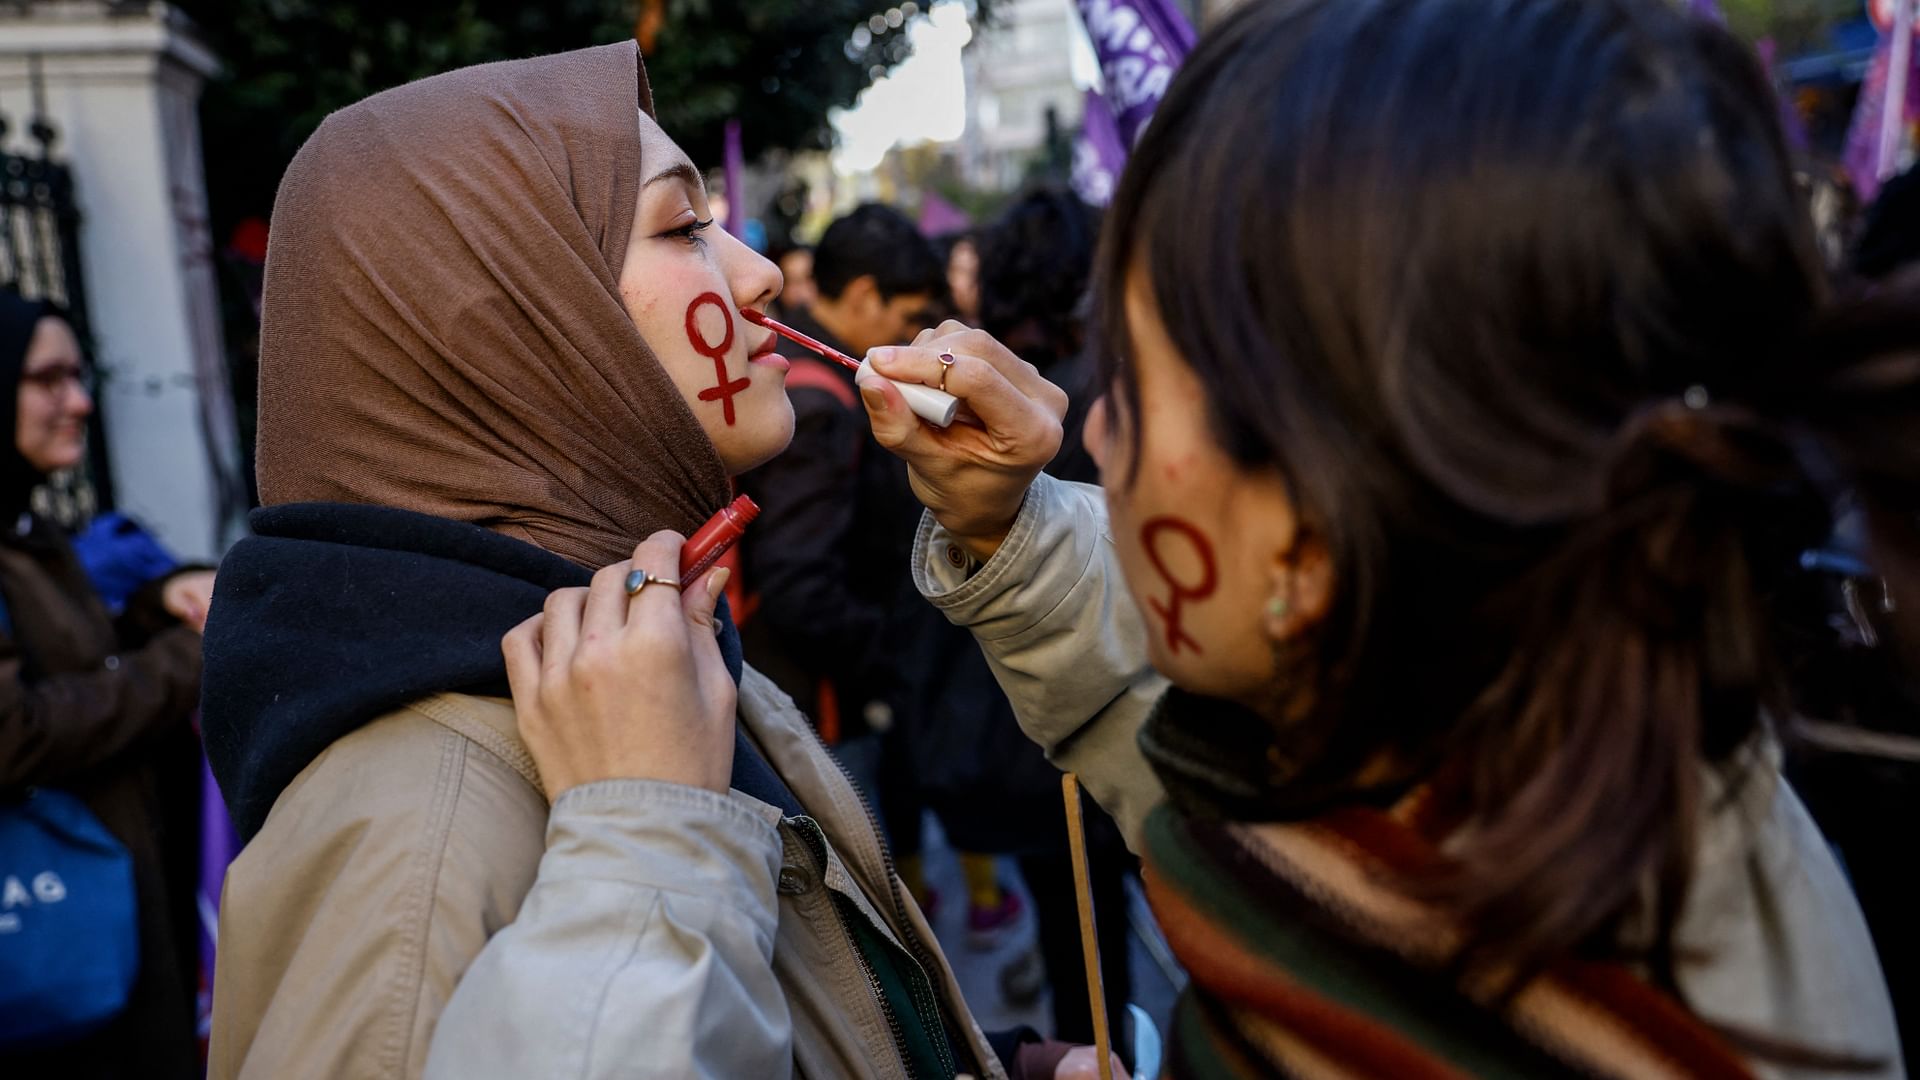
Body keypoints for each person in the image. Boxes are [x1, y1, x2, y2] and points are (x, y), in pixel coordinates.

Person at [855, 0, 1908, 1074]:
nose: (1096, 430)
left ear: (1319, 527)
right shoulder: (1492, 769)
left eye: (1134, 374)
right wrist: (1010, 528)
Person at [199, 44, 1115, 1080]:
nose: (762, 275)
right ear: (517, 323)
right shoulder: (414, 834)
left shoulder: (651, 642)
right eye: (685, 228)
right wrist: (643, 846)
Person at [0, 291, 213, 1078]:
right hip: (50, 938)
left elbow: (79, 658)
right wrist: (190, 660)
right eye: (47, 380)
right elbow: (12, 732)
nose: (80, 402)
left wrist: (161, 600)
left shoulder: (29, 533)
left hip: (105, 916)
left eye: (78, 375)